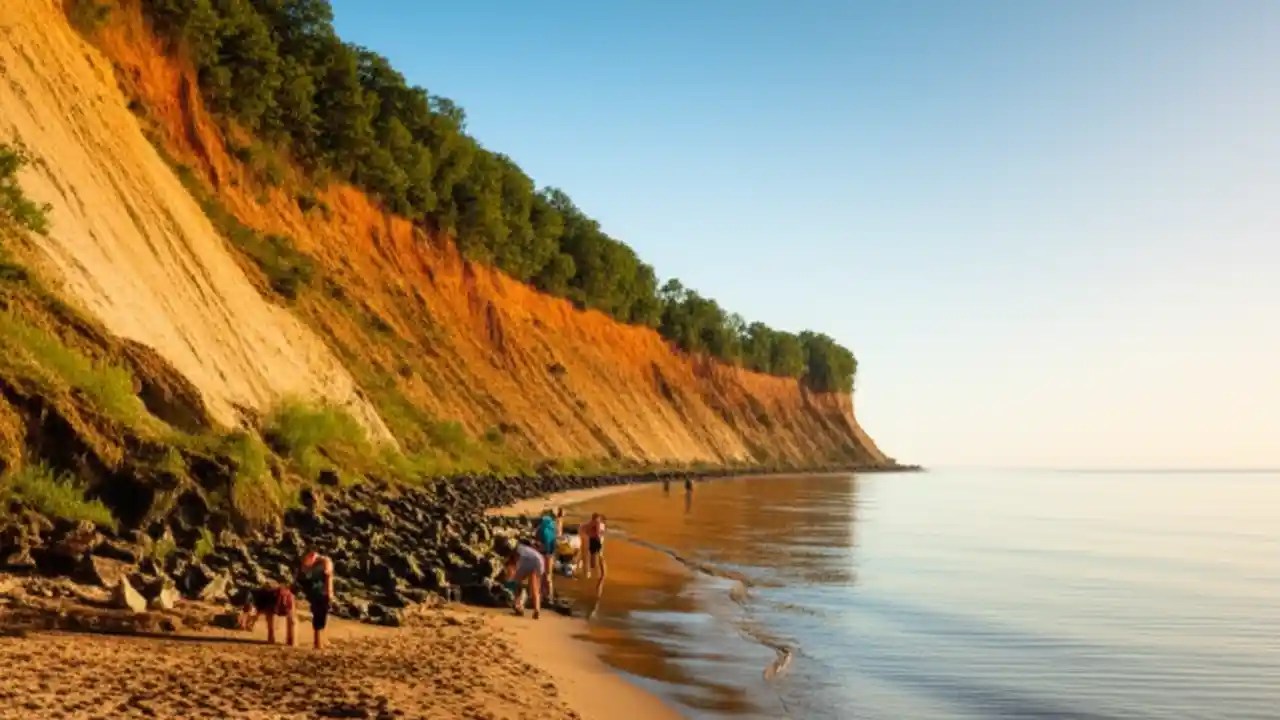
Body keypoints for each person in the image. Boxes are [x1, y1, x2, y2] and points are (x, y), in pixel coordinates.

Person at [296, 549, 334, 649]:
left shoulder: (309, 564)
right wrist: (330, 592)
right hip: (321, 592)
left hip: (313, 592)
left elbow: (302, 579)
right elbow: (328, 576)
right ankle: (318, 643)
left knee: (320, 616)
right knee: (320, 616)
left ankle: (321, 641)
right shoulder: (325, 562)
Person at [505, 542, 544, 619]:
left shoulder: (517, 553)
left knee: (521, 585)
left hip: (532, 562)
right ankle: (536, 609)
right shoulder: (522, 548)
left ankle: (519, 605)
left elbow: (516, 564)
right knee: (535, 588)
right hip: (540, 560)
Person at [537, 509, 558, 596]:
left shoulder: (541, 529)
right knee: (548, 576)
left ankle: (543, 594)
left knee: (542, 575)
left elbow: (539, 542)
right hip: (550, 554)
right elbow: (553, 542)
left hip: (543, 553)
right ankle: (549, 595)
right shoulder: (552, 528)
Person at [581, 513, 606, 579]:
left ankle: (596, 573)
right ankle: (599, 573)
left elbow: (587, 531)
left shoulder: (593, 524)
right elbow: (597, 533)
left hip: (594, 541)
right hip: (595, 541)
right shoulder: (597, 524)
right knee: (596, 558)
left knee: (595, 558)